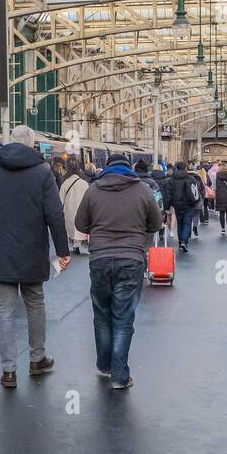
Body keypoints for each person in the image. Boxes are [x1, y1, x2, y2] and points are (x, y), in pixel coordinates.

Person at [0, 124, 71, 388]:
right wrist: (62, 251)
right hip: (32, 250)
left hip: (0, 250)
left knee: (4, 310)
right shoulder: (43, 174)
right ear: (32, 144)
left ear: (10, 142)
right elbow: (54, 215)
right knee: (35, 304)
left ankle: (8, 370)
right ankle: (37, 359)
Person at [74, 154, 163, 389]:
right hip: (131, 260)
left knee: (102, 315)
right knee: (123, 319)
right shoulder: (142, 190)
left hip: (100, 260)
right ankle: (119, 376)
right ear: (129, 168)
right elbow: (156, 224)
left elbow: (80, 224)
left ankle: (104, 365)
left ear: (107, 168)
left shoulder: (93, 190)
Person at [165, 161, 204, 253]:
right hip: (189, 205)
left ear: (176, 168)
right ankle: (184, 242)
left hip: (177, 205)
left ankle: (180, 242)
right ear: (185, 168)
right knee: (187, 223)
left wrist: (167, 207)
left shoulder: (172, 180)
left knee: (180, 223)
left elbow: (168, 194)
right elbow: (196, 191)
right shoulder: (190, 178)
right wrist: (196, 201)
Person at [59, 162, 92, 255]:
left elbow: (60, 198)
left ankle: (75, 245)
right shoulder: (84, 183)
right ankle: (82, 243)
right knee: (81, 227)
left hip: (69, 210)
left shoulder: (65, 183)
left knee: (71, 227)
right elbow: (89, 197)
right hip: (82, 209)